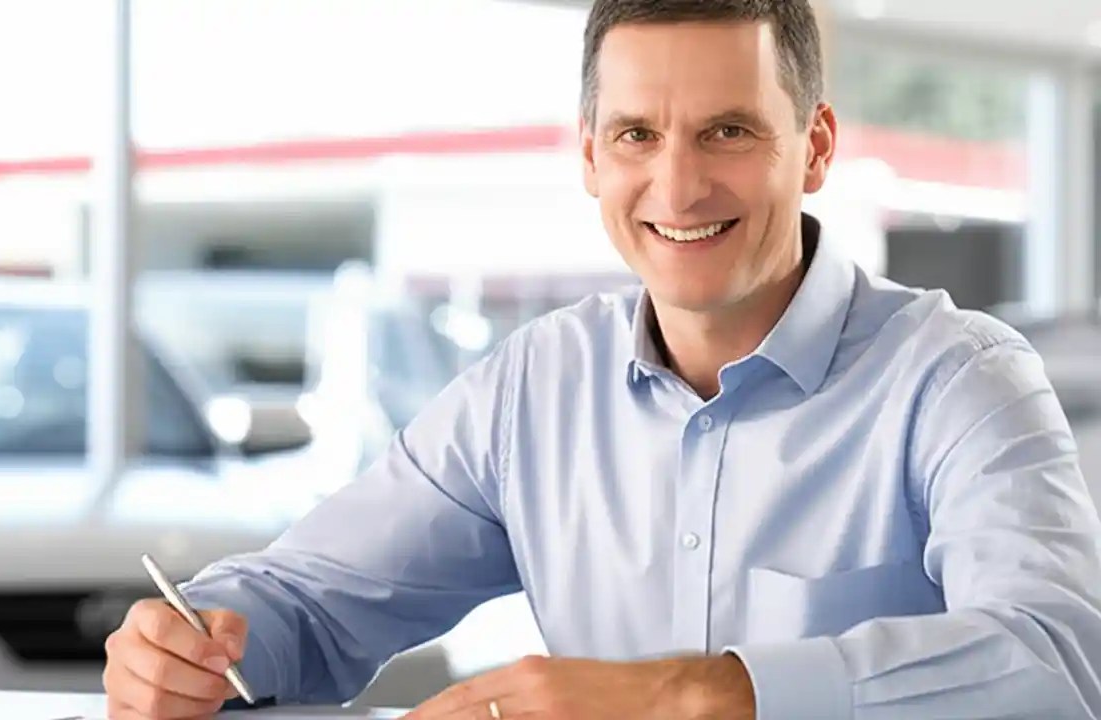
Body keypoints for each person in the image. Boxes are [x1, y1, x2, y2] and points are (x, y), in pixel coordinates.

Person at [102, 1, 1101, 718]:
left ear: (815, 146)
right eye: (636, 134)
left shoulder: (959, 379)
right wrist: (198, 643)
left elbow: (1055, 662)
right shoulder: (532, 390)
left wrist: (695, 693)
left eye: (726, 132)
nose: (677, 184)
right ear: (589, 156)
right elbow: (311, 602)